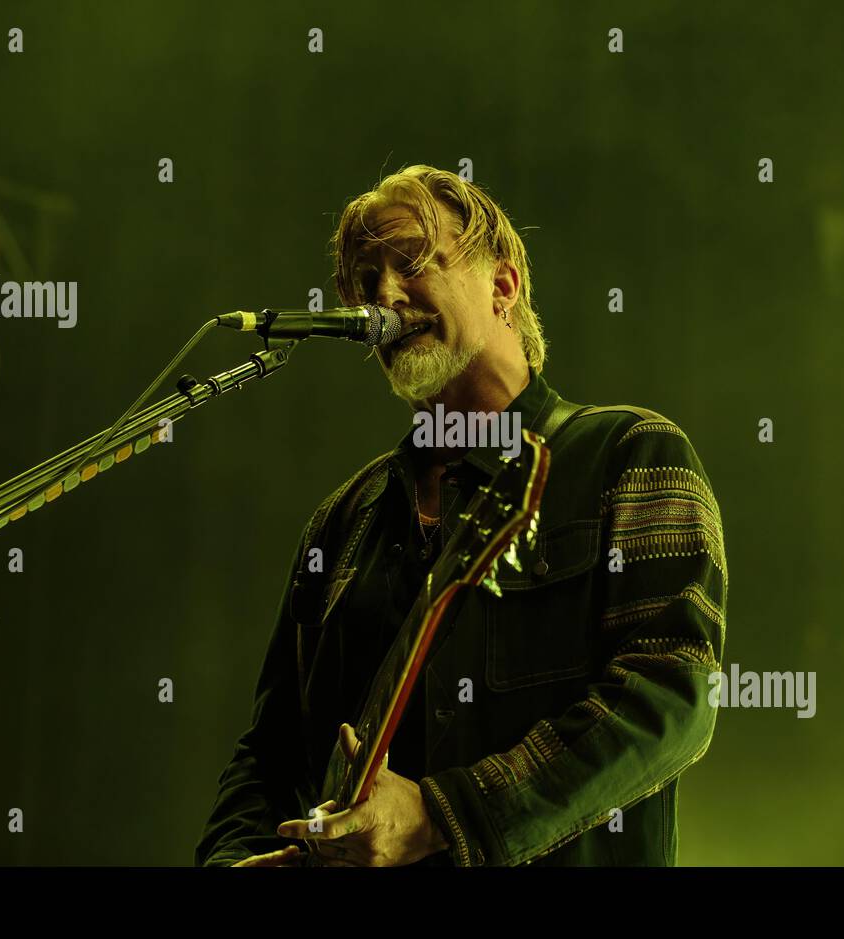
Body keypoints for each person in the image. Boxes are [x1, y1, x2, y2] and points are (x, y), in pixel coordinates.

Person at [195, 164, 727, 867]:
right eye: (363, 279)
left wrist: (445, 814)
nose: (382, 294)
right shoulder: (343, 520)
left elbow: (670, 696)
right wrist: (232, 860)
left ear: (504, 287)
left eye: (411, 262)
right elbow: (271, 752)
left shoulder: (627, 455)